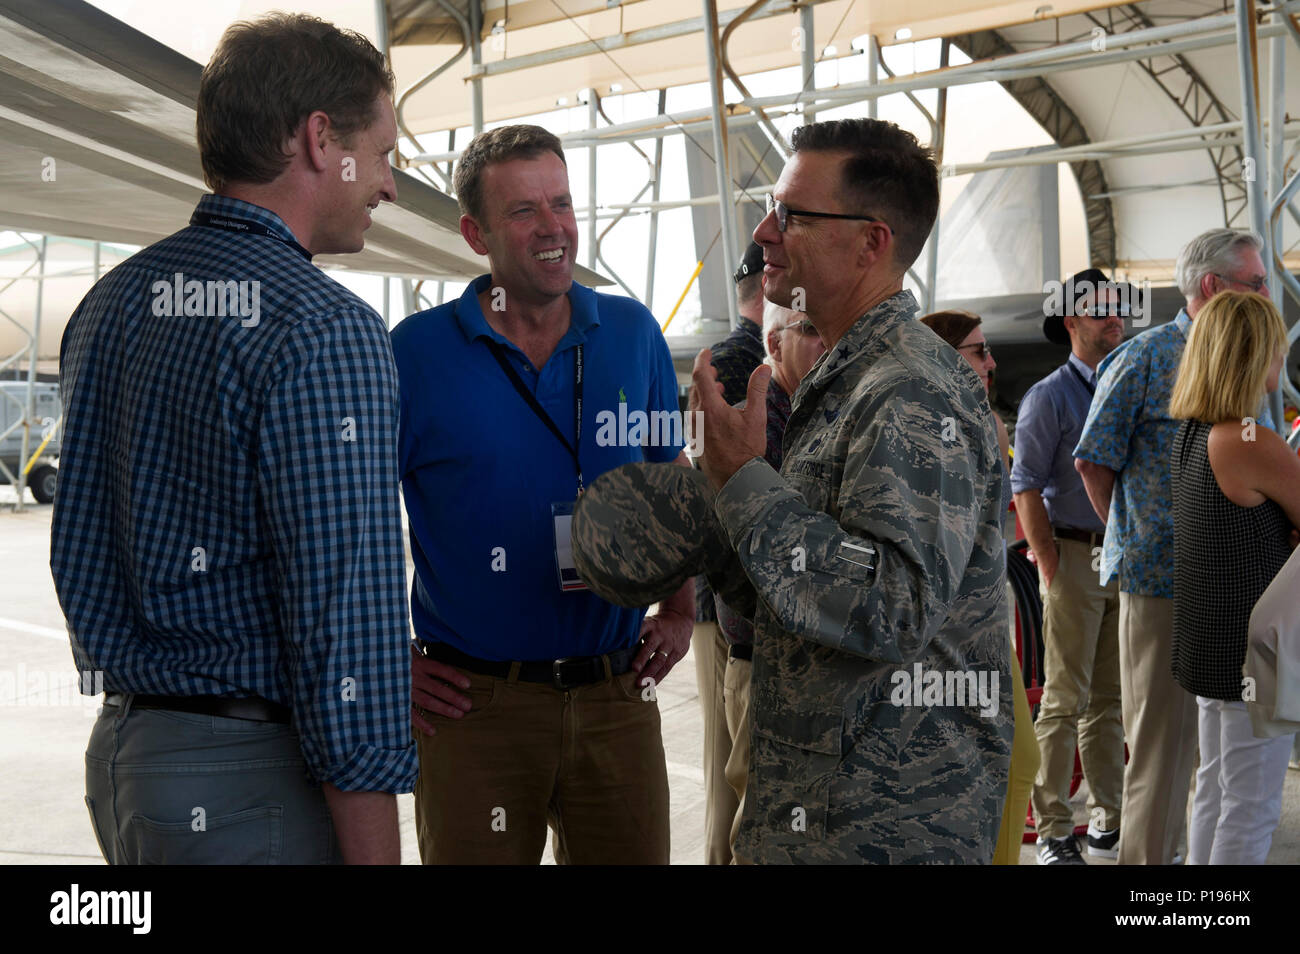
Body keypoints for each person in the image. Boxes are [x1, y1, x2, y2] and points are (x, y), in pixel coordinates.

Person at [51, 14, 415, 864]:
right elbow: (346, 636)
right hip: (255, 785)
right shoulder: (324, 329)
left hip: (128, 765)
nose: (391, 186)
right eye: (386, 154)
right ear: (321, 140)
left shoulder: (109, 305)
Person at [691, 117, 1013, 863]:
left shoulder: (909, 392)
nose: (765, 232)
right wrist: (707, 505)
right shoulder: (850, 377)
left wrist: (743, 482)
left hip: (884, 826)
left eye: (794, 215)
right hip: (822, 805)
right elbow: (797, 591)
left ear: (872, 242)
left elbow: (891, 607)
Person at [391, 124, 692, 865]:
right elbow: (353, 521)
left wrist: (683, 607)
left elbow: (672, 480)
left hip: (617, 694)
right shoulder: (415, 353)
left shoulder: (629, 331)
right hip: (474, 707)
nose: (554, 227)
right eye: (524, 210)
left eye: (561, 201)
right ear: (475, 233)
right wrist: (387, 657)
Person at [1075, 228, 1276, 865]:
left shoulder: (1242, 363)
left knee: (1216, 762)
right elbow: (1094, 461)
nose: (1268, 294)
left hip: (1233, 591)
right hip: (1161, 585)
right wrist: (1136, 540)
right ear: (1213, 287)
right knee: (1162, 755)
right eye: (1257, 283)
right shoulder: (1146, 358)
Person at [1167, 290, 1300, 865]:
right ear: (1252, 354)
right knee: (1251, 807)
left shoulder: (1195, 435)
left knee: (1217, 793)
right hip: (1254, 654)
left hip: (1212, 644)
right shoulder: (1250, 441)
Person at [1011, 271, 1127, 864]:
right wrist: (1052, 567)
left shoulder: (1127, 383)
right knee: (1063, 699)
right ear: (1073, 322)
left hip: (1120, 561)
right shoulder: (1049, 397)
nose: (1116, 317)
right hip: (1076, 557)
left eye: (1118, 308)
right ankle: (1055, 827)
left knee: (1109, 698)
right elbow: (1026, 485)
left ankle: (1106, 819)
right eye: (1102, 309)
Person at [921, 308, 1039, 865]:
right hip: (945, 633)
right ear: (946, 356)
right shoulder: (921, 428)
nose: (992, 363)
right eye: (978, 351)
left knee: (1019, 763)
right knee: (994, 769)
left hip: (986, 620)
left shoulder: (985, 422)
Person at [711, 299, 825, 861]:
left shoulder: (821, 411)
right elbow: (732, 554)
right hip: (765, 659)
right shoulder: (748, 423)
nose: (828, 339)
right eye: (811, 330)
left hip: (813, 660)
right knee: (764, 833)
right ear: (774, 344)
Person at [695, 241, 767, 865]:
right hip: (725, 603)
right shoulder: (738, 362)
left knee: (731, 766)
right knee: (727, 771)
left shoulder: (740, 357)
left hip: (726, 598)